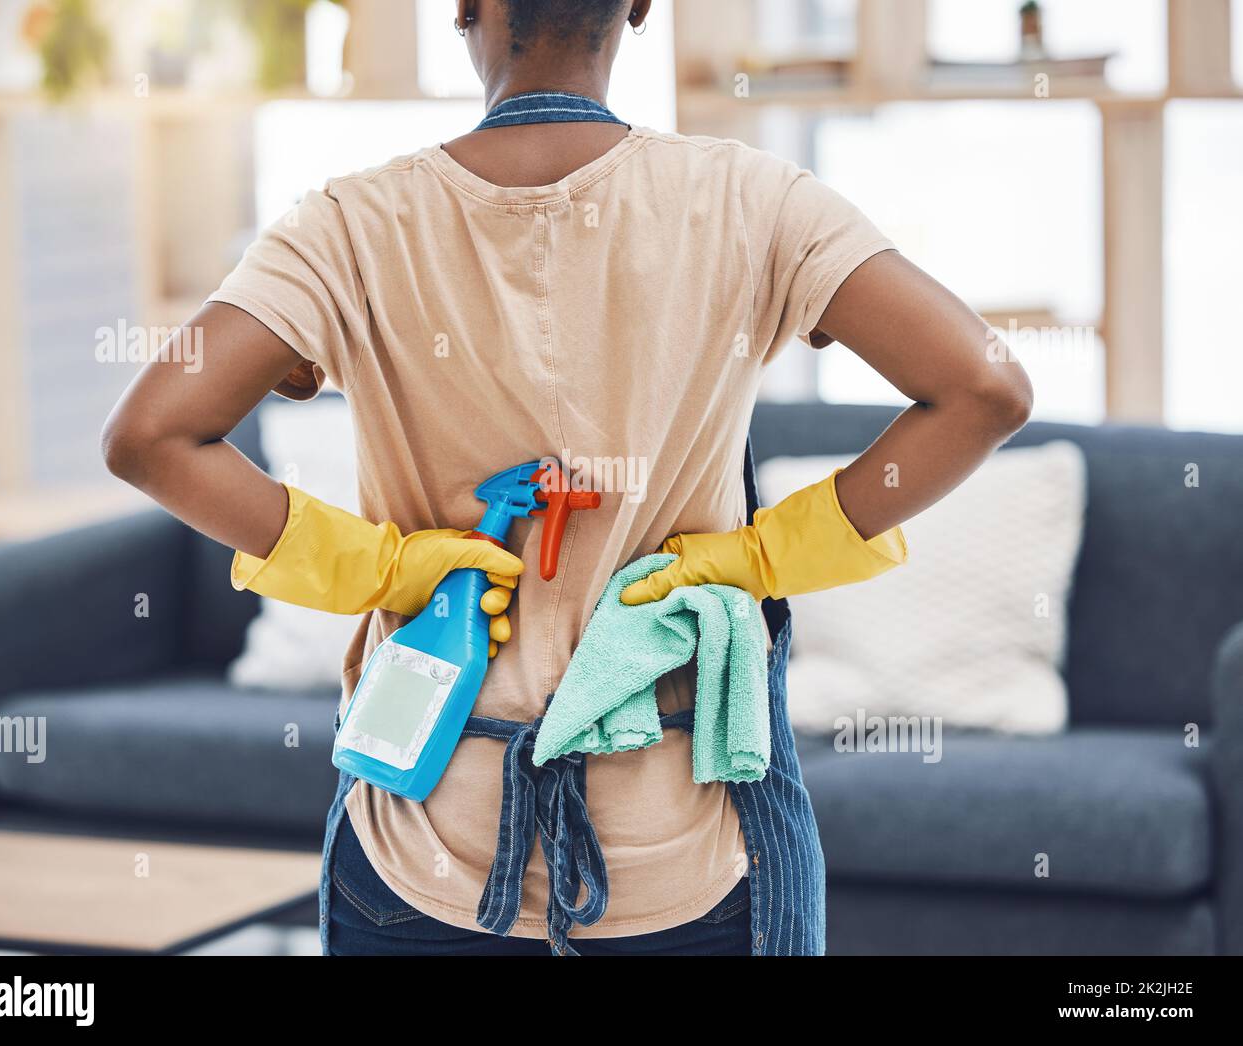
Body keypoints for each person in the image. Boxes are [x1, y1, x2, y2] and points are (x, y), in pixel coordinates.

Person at [102, 0, 1032, 956]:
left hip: (424, 846)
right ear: (638, 7)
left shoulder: (345, 225)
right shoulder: (754, 200)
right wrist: (761, 558)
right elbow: (983, 388)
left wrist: (383, 570)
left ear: (461, 6)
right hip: (685, 852)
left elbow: (152, 436)